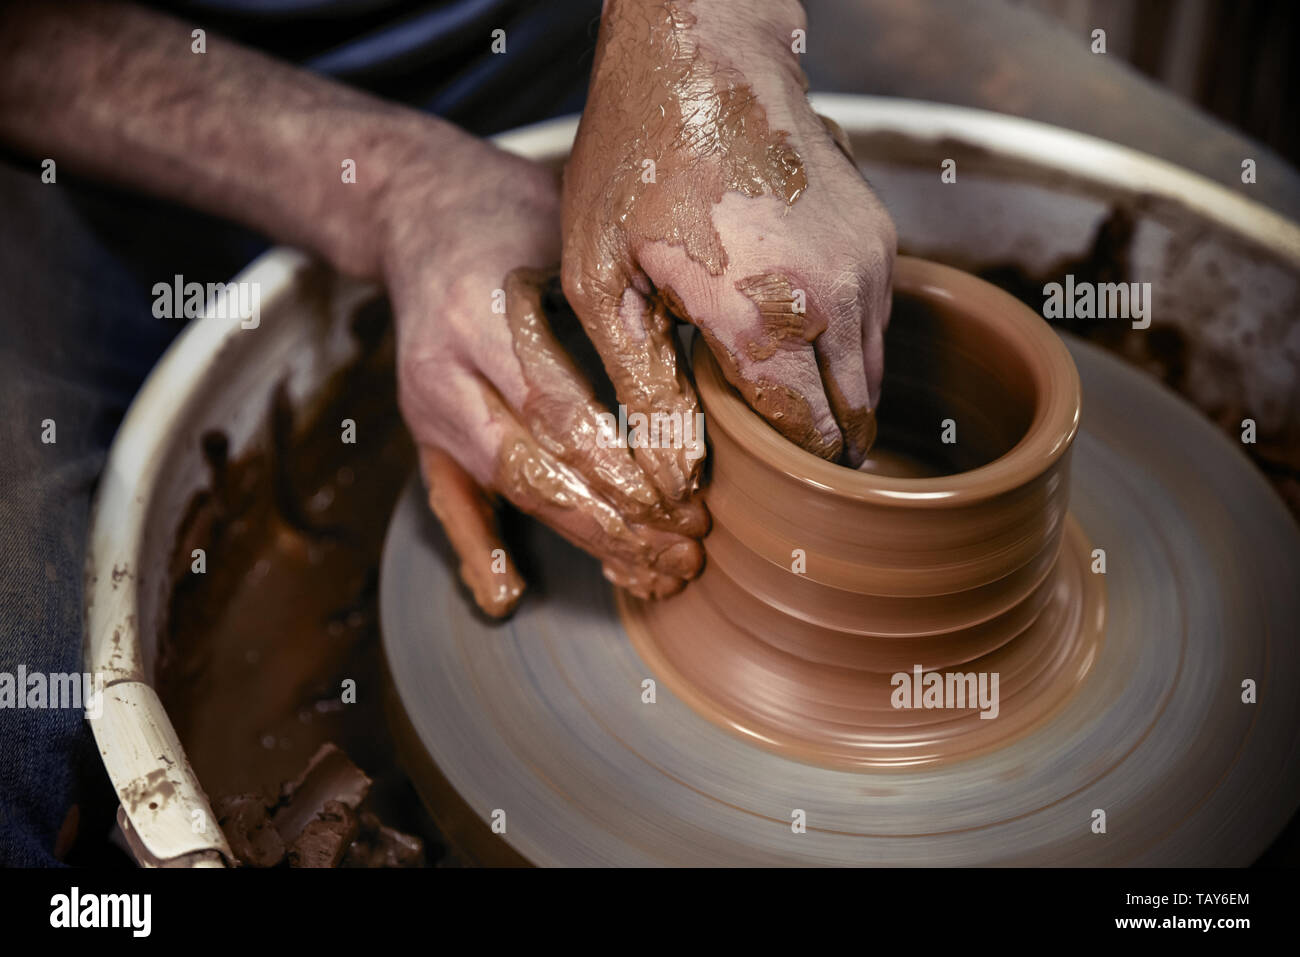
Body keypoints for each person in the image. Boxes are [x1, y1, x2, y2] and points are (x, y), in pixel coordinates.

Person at [0, 0, 895, 865]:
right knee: (19, 721)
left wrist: (707, 35)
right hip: (123, 110)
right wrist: (393, 189)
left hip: (580, 47)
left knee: (817, 243)